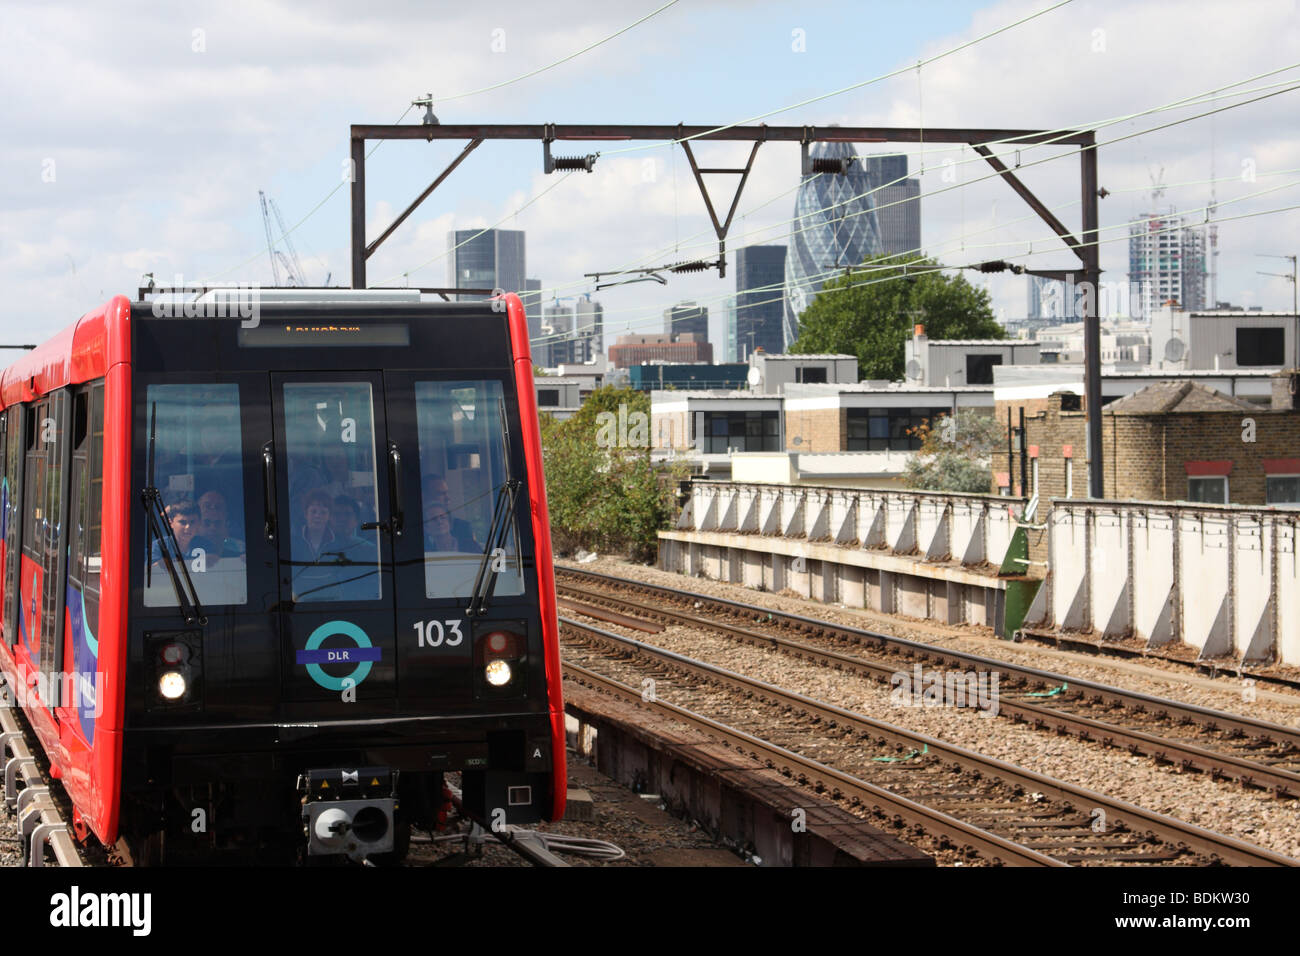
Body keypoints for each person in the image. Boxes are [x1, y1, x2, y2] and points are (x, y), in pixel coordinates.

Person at [422, 474, 481, 552]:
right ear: (424, 496)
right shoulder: (413, 530)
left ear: (450, 523)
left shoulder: (463, 527)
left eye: (443, 518)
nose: (447, 498)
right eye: (440, 494)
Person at [197, 489, 245, 558]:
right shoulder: (187, 549)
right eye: (207, 523)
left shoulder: (240, 549)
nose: (212, 528)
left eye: (218, 507)